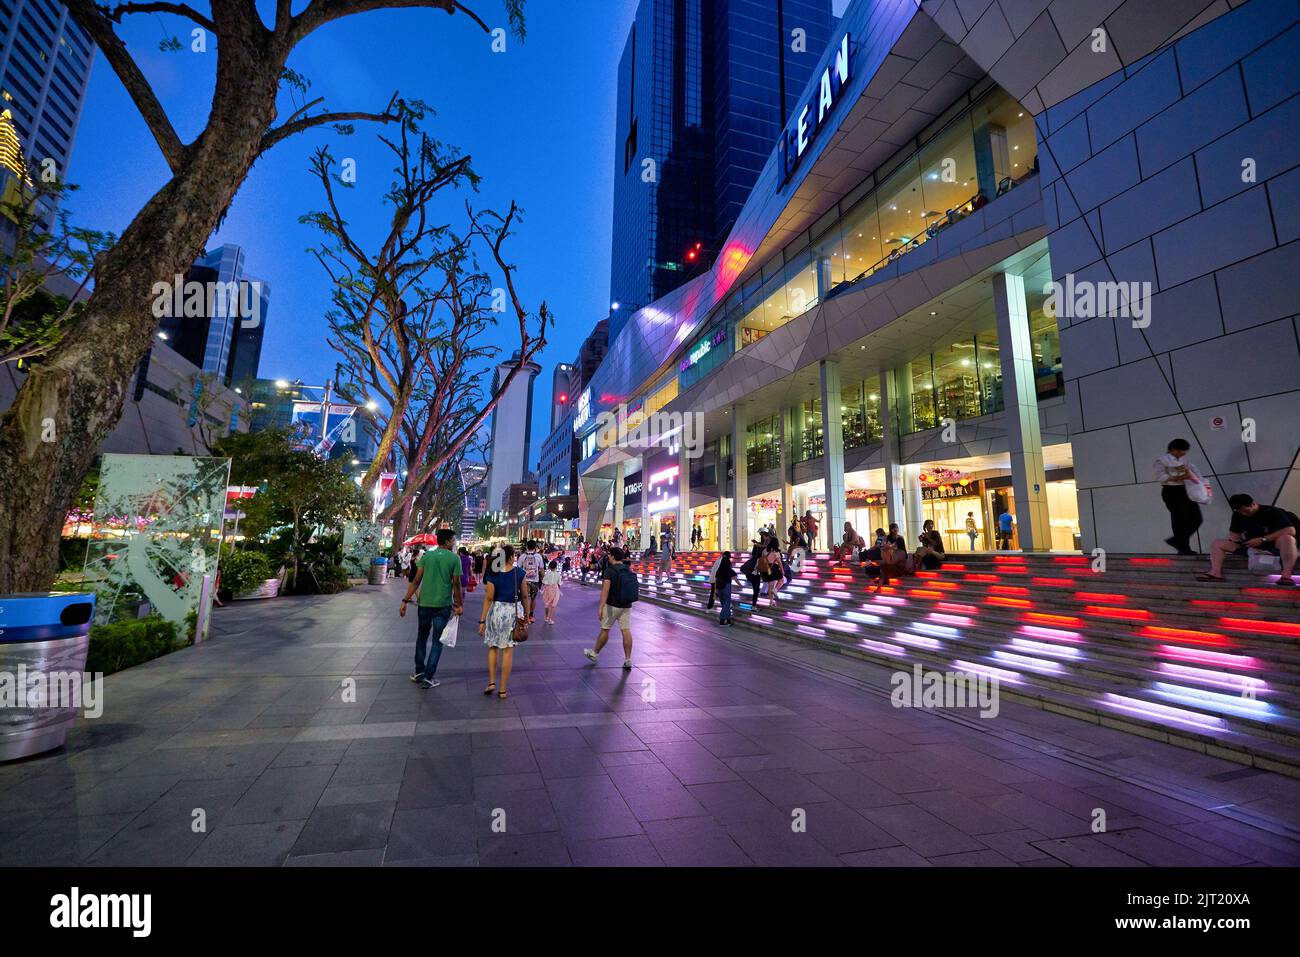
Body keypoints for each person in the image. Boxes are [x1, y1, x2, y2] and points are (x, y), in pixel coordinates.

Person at [399, 528, 463, 689]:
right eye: (453, 539)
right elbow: (456, 584)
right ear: (447, 541)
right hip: (443, 605)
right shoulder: (454, 559)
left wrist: (405, 600)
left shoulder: (427, 557)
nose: (454, 542)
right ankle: (428, 676)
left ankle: (419, 671)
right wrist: (459, 604)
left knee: (421, 636)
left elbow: (416, 581)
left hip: (425, 604)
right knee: (437, 640)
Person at [1198, 494, 1297, 587]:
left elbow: (1290, 530)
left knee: (1287, 538)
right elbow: (1234, 533)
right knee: (1217, 543)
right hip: (1251, 546)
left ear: (1254, 504)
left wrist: (1263, 539)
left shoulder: (1271, 511)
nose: (1244, 514)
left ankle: (1286, 575)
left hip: (1273, 544)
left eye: (1246, 511)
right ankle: (1215, 572)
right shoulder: (1238, 515)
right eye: (1240, 512)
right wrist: (1236, 540)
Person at [478, 544, 529, 699]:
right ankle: (502, 690)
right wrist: (527, 615)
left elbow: (489, 598)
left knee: (493, 646)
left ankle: (492, 682)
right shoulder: (519, 573)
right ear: (512, 556)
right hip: (513, 613)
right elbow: (525, 596)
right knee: (507, 650)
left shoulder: (493, 573)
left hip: (496, 612)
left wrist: (482, 621)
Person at [584, 547, 638, 669]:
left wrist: (601, 606)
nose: (608, 557)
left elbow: (605, 590)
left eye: (609, 555)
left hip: (612, 606)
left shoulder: (610, 570)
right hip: (626, 605)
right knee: (626, 630)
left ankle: (594, 654)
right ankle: (628, 659)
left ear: (613, 556)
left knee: (605, 629)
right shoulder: (627, 569)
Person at [1155, 438, 1207, 556]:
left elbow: (1190, 471)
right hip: (1171, 491)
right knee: (1179, 520)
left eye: (1185, 451)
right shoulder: (1162, 461)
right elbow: (1161, 478)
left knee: (1196, 518)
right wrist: (1180, 477)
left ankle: (1177, 541)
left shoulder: (1183, 459)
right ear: (1173, 449)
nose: (1183, 453)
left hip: (1185, 490)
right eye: (1181, 451)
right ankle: (1184, 548)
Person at [520, 540, 544, 623]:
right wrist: (544, 580)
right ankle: (531, 615)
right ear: (535, 547)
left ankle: (525, 615)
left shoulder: (522, 556)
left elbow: (519, 569)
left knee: (525, 598)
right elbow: (541, 569)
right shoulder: (538, 556)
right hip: (535, 580)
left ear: (527, 546)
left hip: (524, 580)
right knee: (533, 599)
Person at [715, 551, 738, 625]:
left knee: (723, 604)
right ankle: (722, 620)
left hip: (719, 587)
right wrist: (740, 585)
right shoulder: (729, 569)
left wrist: (715, 590)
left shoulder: (719, 570)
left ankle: (728, 619)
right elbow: (734, 577)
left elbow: (716, 579)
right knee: (727, 603)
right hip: (726, 586)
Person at [762, 536, 785, 605]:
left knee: (770, 585)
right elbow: (779, 562)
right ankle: (775, 590)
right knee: (781, 580)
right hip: (774, 567)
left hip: (766, 568)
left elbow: (763, 559)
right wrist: (782, 570)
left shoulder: (765, 550)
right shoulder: (776, 551)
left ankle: (771, 601)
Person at [541, 559, 563, 624]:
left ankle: (546, 617)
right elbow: (559, 584)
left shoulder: (547, 574)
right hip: (555, 590)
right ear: (556, 567)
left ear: (550, 567)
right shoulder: (558, 574)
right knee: (553, 605)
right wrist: (558, 590)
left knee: (547, 604)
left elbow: (544, 582)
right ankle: (551, 619)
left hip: (548, 589)